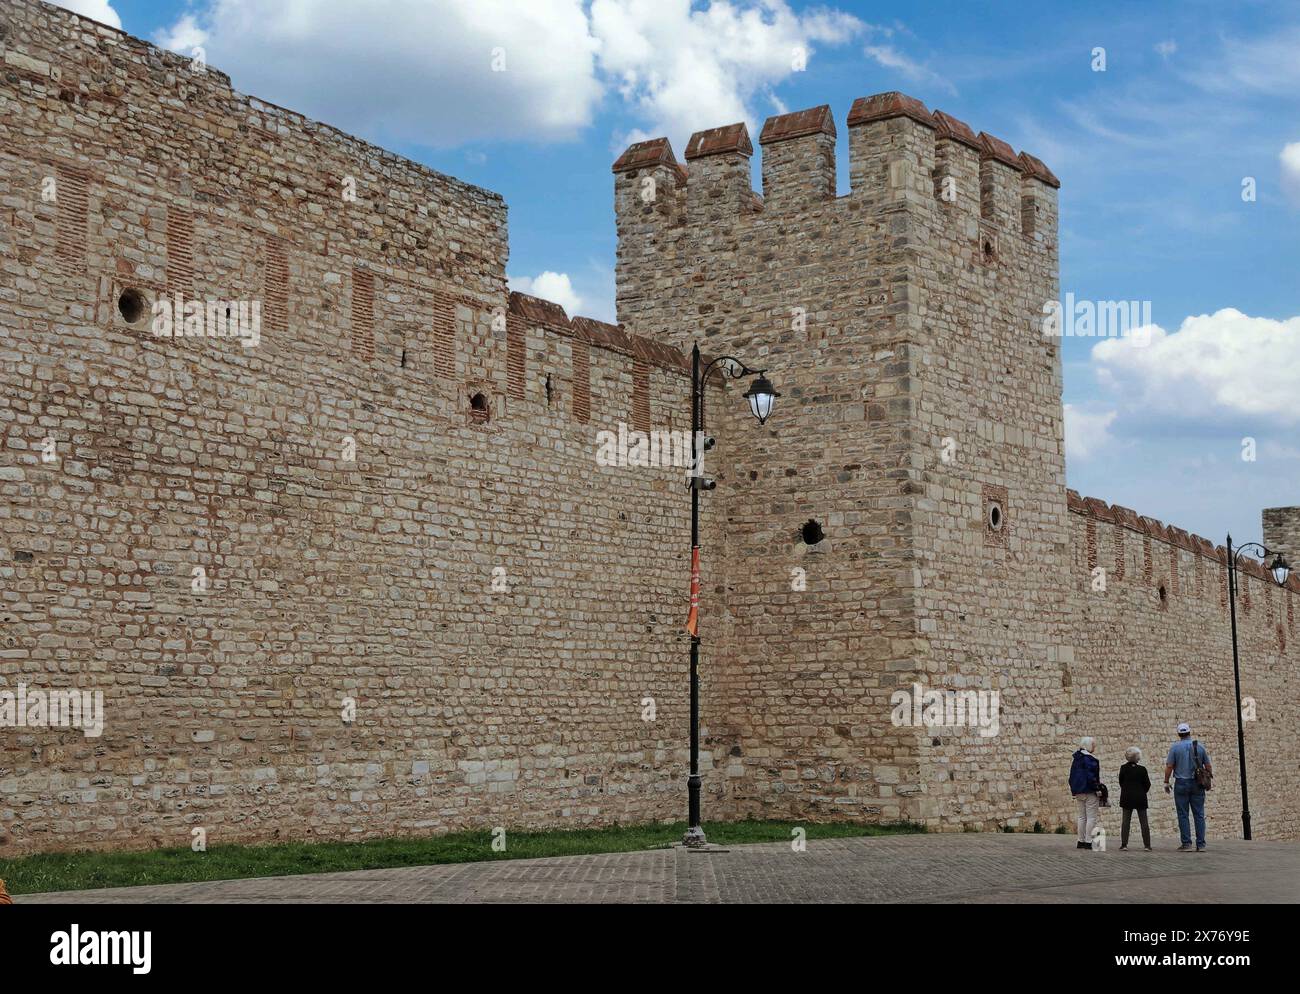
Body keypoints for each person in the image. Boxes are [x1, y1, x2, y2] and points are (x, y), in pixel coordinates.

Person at [1164, 722, 1211, 852]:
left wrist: (1166, 782)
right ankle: (1201, 845)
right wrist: (1207, 778)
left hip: (1181, 783)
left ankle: (1186, 844)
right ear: (1189, 732)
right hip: (1197, 784)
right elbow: (1208, 766)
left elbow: (1169, 767)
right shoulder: (1200, 747)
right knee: (1199, 814)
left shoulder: (1175, 748)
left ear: (1179, 734)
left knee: (1183, 814)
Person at [1069, 736, 1103, 849]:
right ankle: (1088, 841)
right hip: (1089, 790)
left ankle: (1080, 840)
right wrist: (1097, 788)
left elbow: (1071, 776)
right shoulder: (1091, 760)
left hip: (1079, 791)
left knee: (1081, 817)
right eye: (1093, 745)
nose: (1094, 747)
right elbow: (1091, 776)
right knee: (1091, 817)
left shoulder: (1076, 758)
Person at [1118, 746, 1152, 850]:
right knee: (1144, 822)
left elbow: (1121, 782)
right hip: (1140, 797)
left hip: (1127, 796)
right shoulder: (1142, 769)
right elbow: (1147, 784)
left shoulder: (1123, 768)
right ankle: (1147, 845)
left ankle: (1124, 844)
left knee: (1126, 822)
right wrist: (1141, 792)